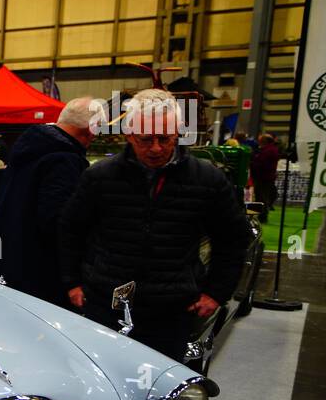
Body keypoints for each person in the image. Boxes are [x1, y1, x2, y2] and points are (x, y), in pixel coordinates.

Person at [60, 89, 252, 362]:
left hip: (171, 311)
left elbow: (233, 239)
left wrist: (216, 293)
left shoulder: (207, 180)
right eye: (145, 139)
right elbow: (71, 230)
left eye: (165, 138)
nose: (156, 148)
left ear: (178, 133)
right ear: (129, 135)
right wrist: (73, 283)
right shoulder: (100, 177)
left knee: (160, 388)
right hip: (106, 304)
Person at [0, 96, 105, 304]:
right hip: (37, 272)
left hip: (3, 259)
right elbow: (57, 221)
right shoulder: (64, 160)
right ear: (92, 130)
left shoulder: (27, 147)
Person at [250, 133, 280, 223]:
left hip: (263, 177)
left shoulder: (268, 151)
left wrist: (251, 163)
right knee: (261, 197)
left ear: (264, 141)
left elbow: (262, 164)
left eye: (260, 141)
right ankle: (257, 216)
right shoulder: (271, 149)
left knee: (260, 198)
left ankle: (259, 217)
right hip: (266, 177)